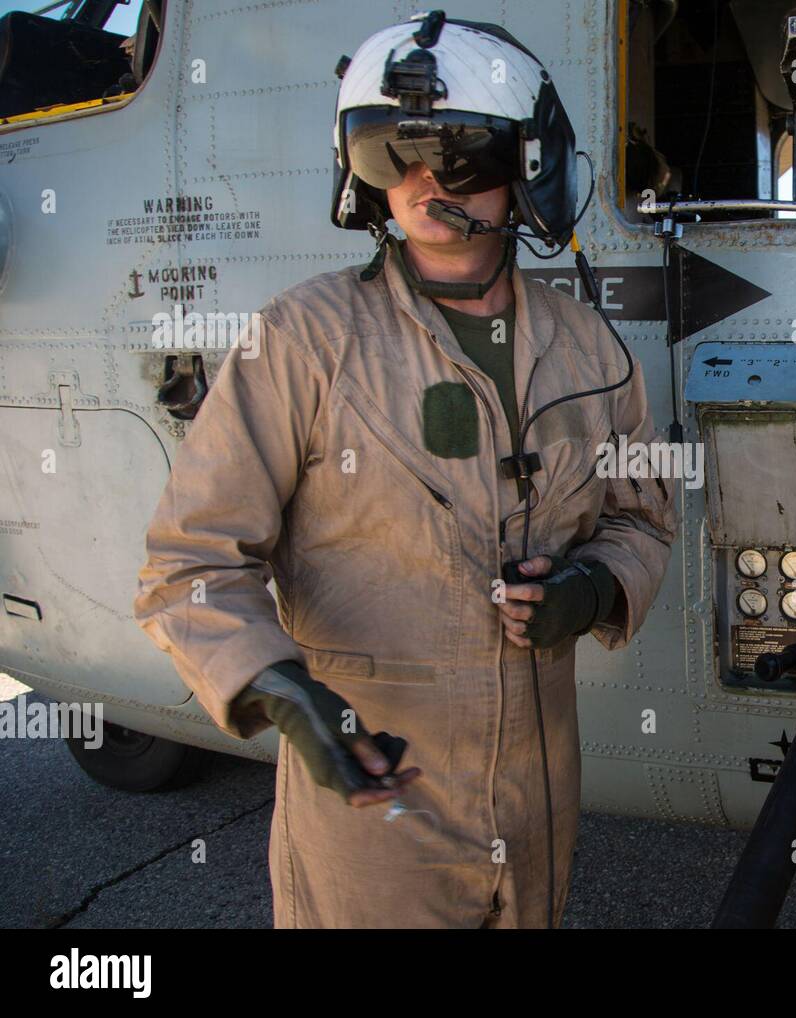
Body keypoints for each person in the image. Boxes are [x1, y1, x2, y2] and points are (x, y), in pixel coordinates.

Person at [134, 12, 677, 928]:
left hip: (537, 802)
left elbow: (643, 517)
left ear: (524, 168)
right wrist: (287, 694)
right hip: (374, 821)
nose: (423, 181)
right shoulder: (302, 342)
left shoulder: (588, 347)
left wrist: (591, 588)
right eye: (391, 153)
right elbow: (188, 567)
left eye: (457, 153)